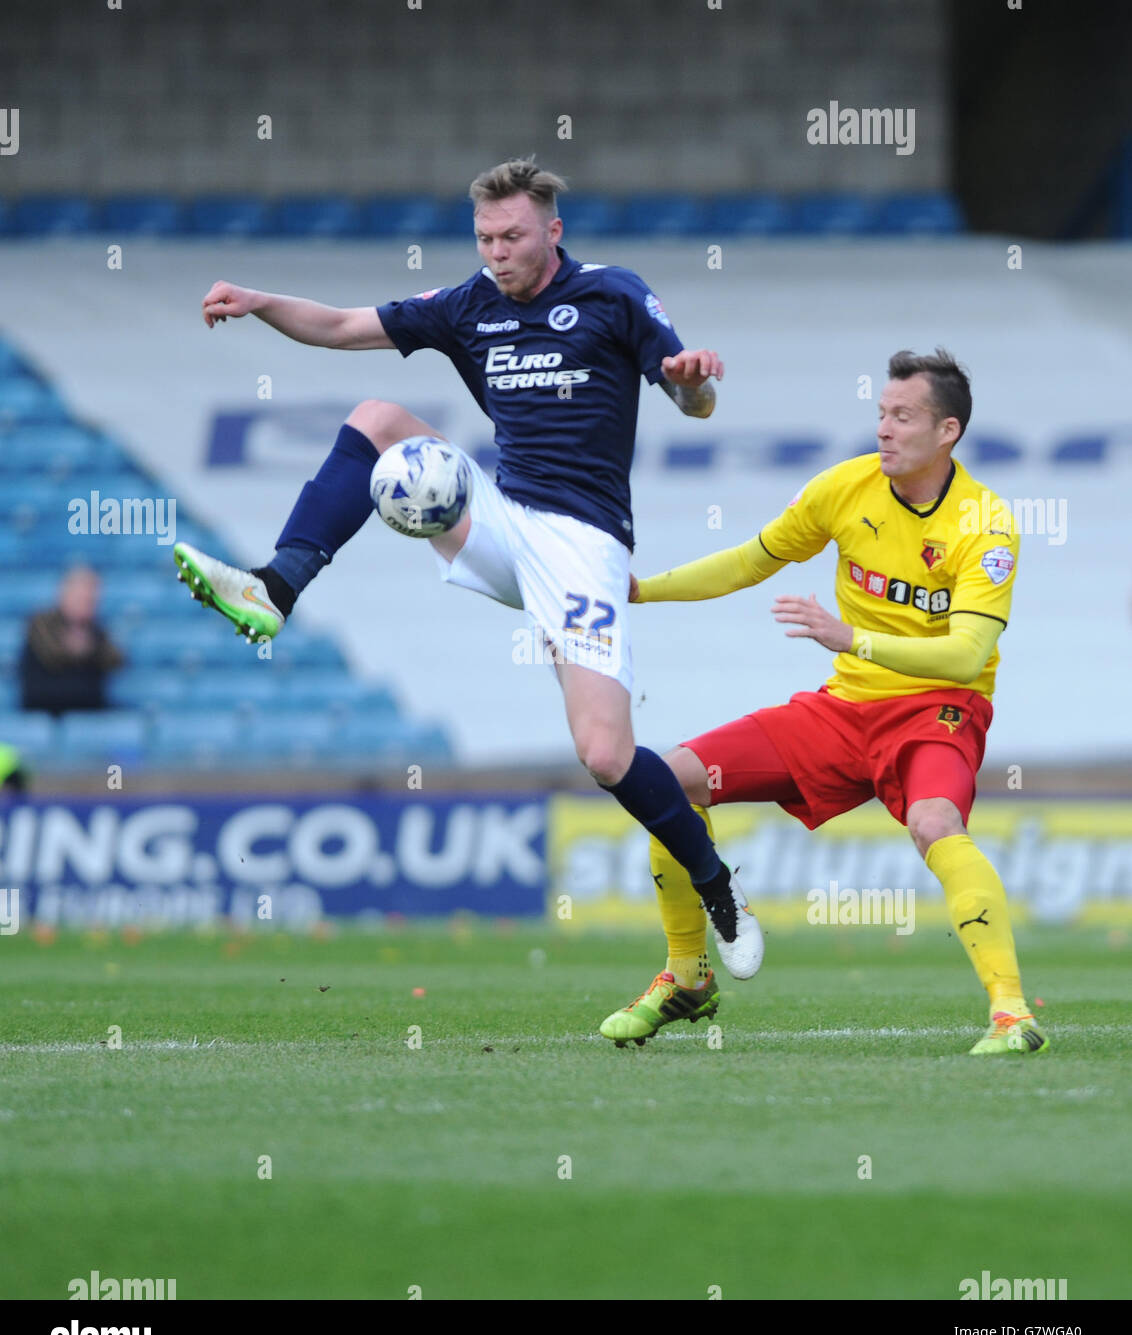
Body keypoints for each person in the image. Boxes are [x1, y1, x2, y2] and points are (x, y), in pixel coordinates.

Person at [172, 158, 760, 975]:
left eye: (513, 236)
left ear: (552, 231)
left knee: (604, 756)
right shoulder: (466, 305)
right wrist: (262, 302)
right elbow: (344, 327)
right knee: (379, 417)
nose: (497, 252)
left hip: (581, 547)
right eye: (485, 237)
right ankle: (276, 587)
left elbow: (689, 394)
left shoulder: (613, 294)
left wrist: (695, 387)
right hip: (499, 517)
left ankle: (716, 884)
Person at [601, 349, 1048, 1057]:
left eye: (903, 417)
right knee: (666, 780)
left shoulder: (986, 524)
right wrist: (643, 590)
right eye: (881, 414)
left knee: (935, 822)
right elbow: (752, 560)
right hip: (842, 712)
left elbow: (965, 656)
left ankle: (1011, 1014)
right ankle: (687, 977)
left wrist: (852, 638)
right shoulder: (844, 488)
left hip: (937, 710)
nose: (884, 429)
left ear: (948, 432)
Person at [19, 566, 124, 716]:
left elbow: (114, 665)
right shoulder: (40, 627)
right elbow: (35, 690)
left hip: (88, 723)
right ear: (64, 594)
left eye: (91, 598)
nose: (87, 602)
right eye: (80, 596)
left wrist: (91, 648)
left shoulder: (98, 634)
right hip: (41, 720)